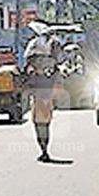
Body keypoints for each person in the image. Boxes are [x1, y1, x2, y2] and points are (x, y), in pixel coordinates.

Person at [25, 32, 61, 162]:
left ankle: (44, 150)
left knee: (41, 127)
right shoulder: (46, 77)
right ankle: (44, 150)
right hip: (42, 103)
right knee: (43, 127)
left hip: (42, 103)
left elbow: (27, 82)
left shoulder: (37, 77)